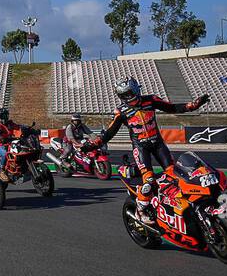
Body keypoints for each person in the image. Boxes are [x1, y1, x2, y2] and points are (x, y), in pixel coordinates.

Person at [85, 78, 209, 221]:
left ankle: (176, 207)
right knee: (149, 180)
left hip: (158, 144)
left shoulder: (151, 100)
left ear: (136, 89)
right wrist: (94, 144)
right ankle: (140, 210)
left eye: (129, 93)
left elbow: (172, 108)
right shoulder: (121, 111)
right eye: (123, 95)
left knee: (174, 175)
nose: (128, 97)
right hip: (140, 147)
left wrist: (192, 106)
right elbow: (110, 132)